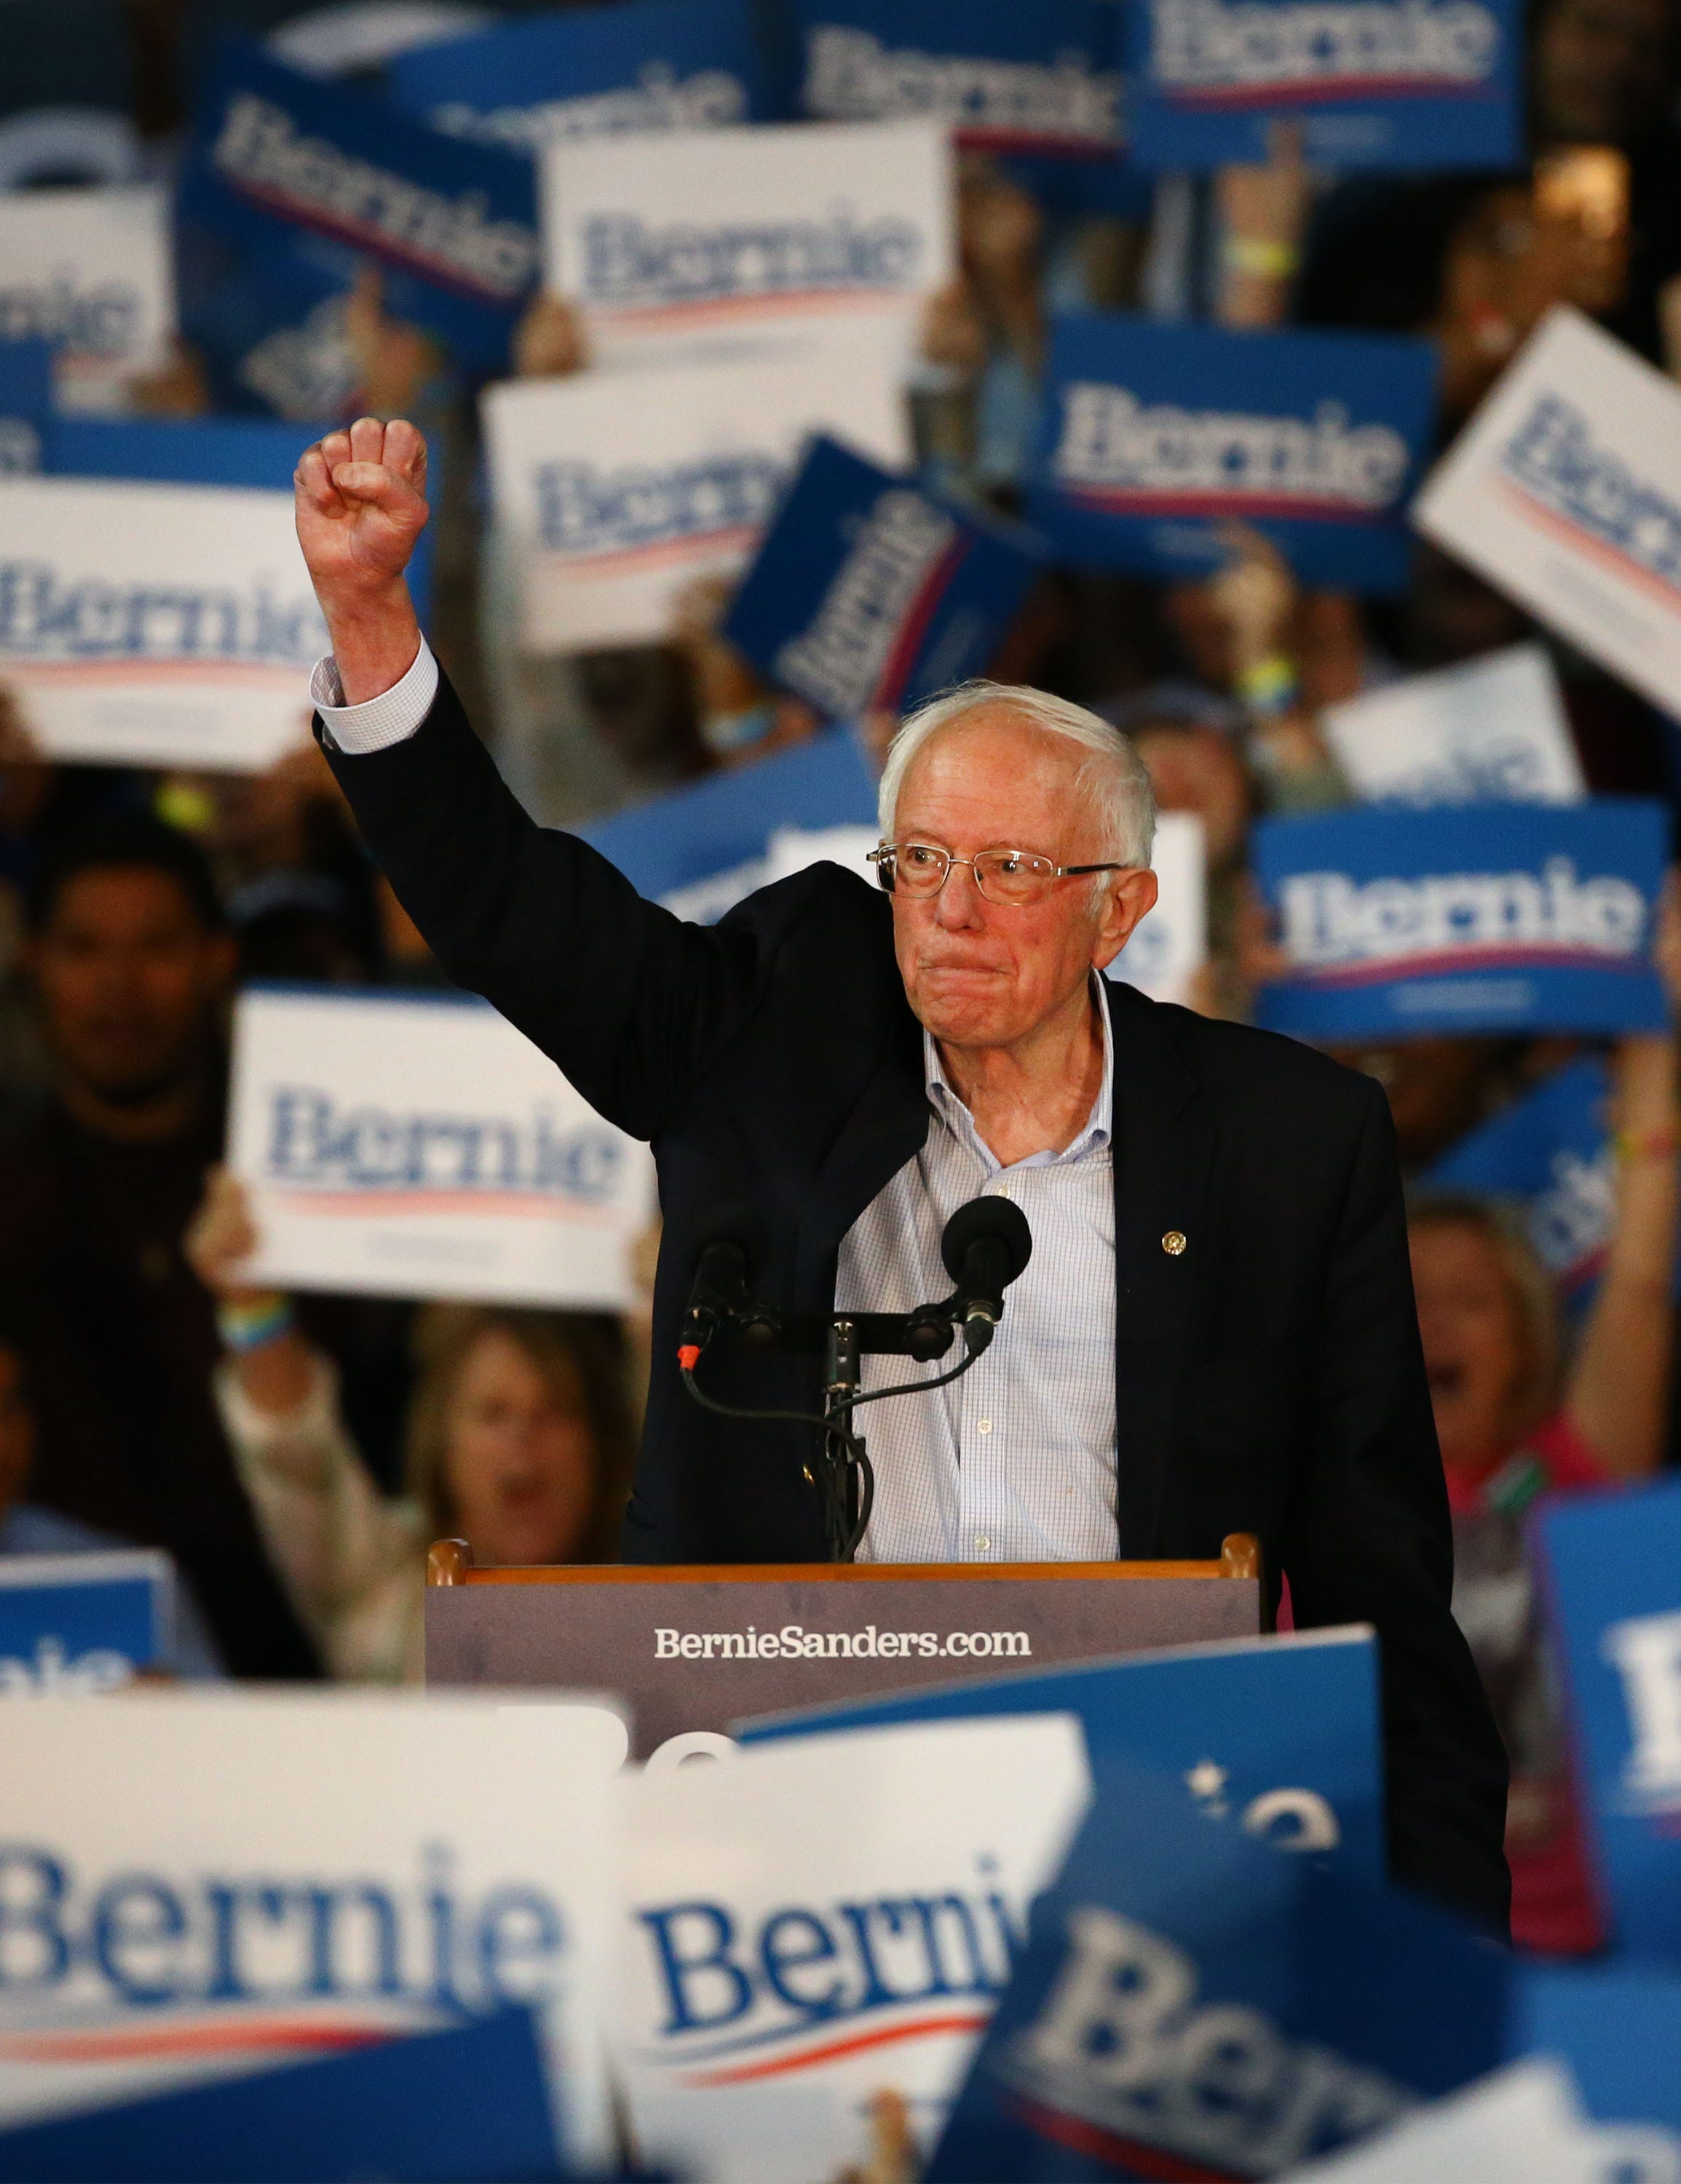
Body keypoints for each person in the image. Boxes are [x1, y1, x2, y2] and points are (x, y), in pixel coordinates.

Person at [290, 416, 1510, 1934]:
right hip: (786, 1824)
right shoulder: (776, 1023)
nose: (946, 913)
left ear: (1118, 909)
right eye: (919, 863)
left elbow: (1377, 1603)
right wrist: (370, 621)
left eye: (1008, 872)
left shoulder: (1283, 1142)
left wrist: (1455, 1971)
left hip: (1140, 1839)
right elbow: (517, 912)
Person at [0, 813, 318, 1677]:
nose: (118, 986)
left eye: (156, 948)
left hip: (314, 1662)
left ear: (219, 957)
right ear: (30, 961)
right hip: (68, 1671)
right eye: (83, 949)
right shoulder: (11, 1210)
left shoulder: (312, 1182)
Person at [1410, 984, 1681, 1952]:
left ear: (1526, 1340)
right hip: (1406, 1951)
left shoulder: (1574, 1468)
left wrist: (1657, 1009)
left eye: (1470, 1300)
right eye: (1409, 1297)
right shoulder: (1306, 1498)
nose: (1432, 1322)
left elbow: (1642, 1269)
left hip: (1602, 1948)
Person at [183, 1168, 639, 1682]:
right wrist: (252, 1303)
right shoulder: (381, 1590)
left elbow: (694, 1474)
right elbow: (297, 1461)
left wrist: (664, 1312)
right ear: (441, 1443)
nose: (523, 1439)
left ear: (598, 1444)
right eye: (493, 1412)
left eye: (555, 1411)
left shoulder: (664, 1597)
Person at [0, 1322, 224, 1677]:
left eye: (9, 1409)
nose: (3, 1444)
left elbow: (220, 1722)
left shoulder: (113, 1581)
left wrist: (172, 1715)